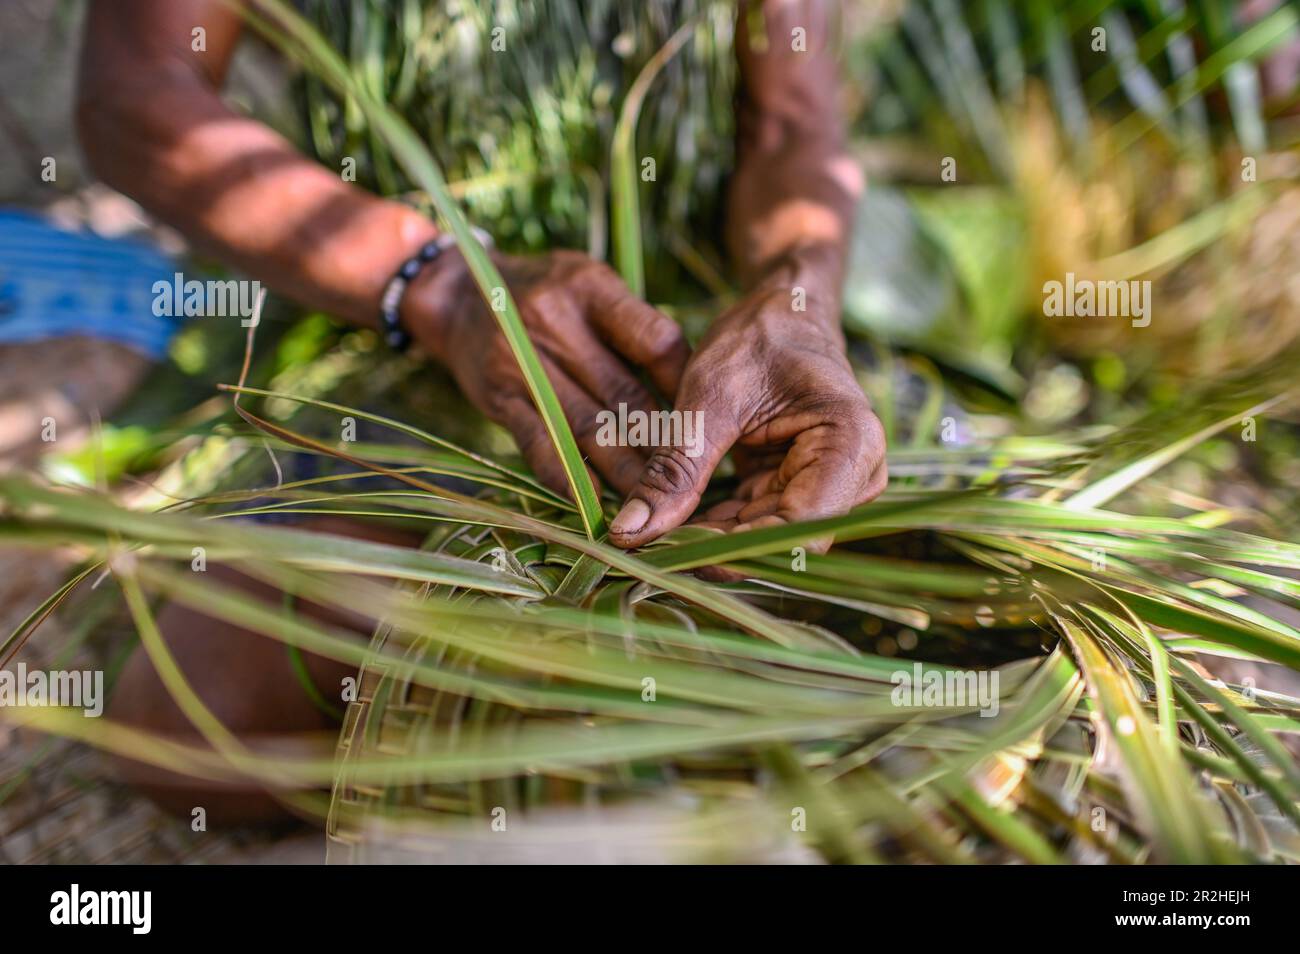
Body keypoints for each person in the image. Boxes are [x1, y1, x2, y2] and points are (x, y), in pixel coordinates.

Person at [75, 0, 885, 822]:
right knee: (191, 730)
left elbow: (793, 128)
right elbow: (137, 90)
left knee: (889, 606)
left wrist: (798, 302)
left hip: (717, 360)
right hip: (403, 326)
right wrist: (446, 285)